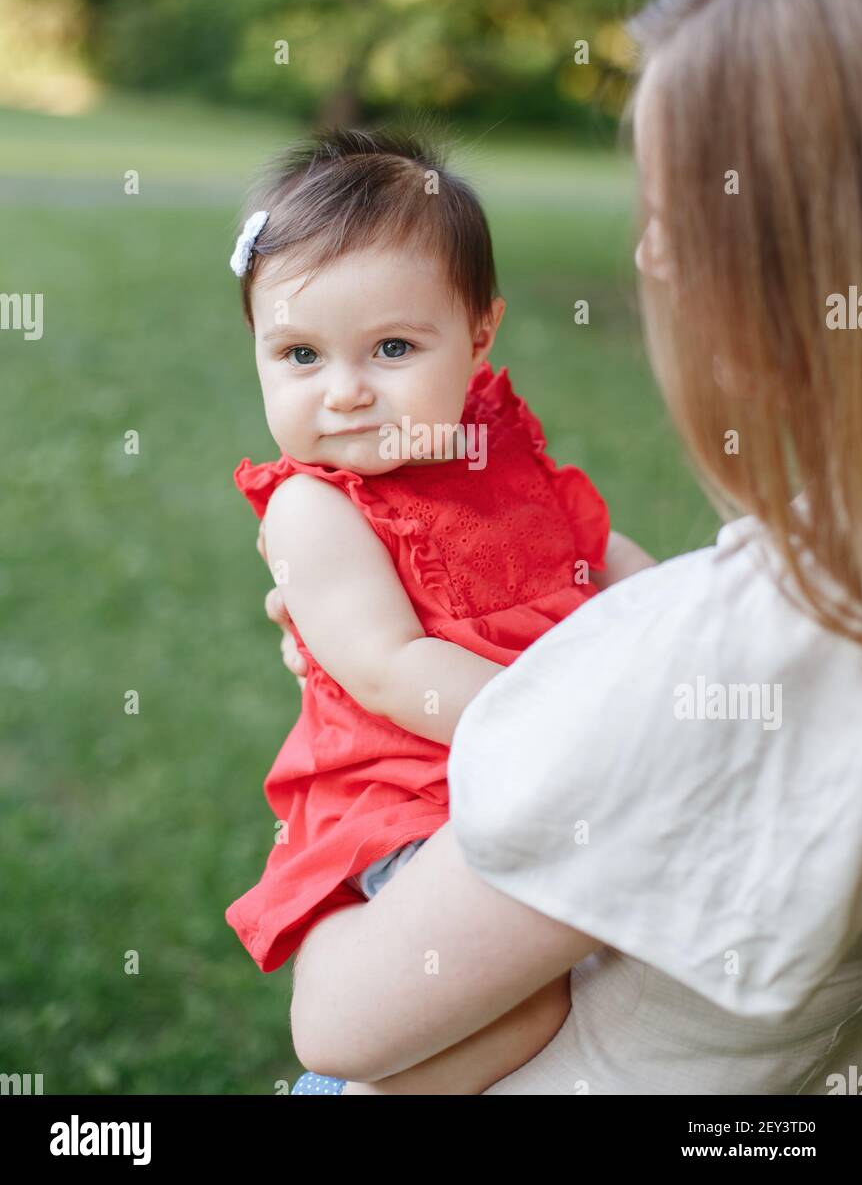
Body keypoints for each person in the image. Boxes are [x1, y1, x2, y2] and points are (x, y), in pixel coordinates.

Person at [273, 0, 862, 1095]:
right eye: (299, 354)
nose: (647, 259)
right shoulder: (769, 609)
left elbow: (336, 1027)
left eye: (666, 223)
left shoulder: (731, 659)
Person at [222, 128, 653, 1094]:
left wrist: (683, 621)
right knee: (520, 1001)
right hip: (411, 791)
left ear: (479, 336)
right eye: (298, 354)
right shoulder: (314, 506)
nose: (345, 394)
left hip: (515, 766)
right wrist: (566, 722)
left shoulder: (495, 444)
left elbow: (601, 553)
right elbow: (391, 668)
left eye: (392, 348)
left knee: (534, 991)